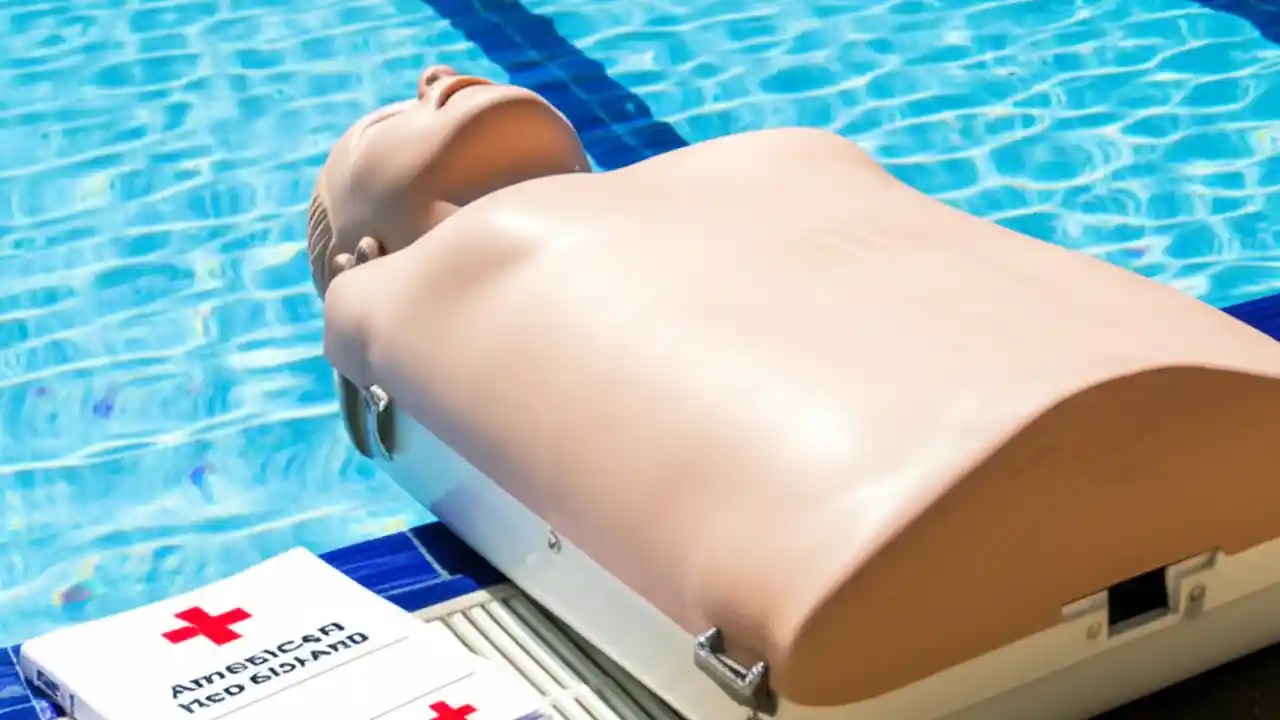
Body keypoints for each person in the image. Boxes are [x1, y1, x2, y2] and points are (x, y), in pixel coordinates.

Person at [310, 66, 1280, 704]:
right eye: (389, 116)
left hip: (906, 540)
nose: (437, 75)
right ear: (364, 250)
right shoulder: (385, 299)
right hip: (878, 524)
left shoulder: (728, 172)